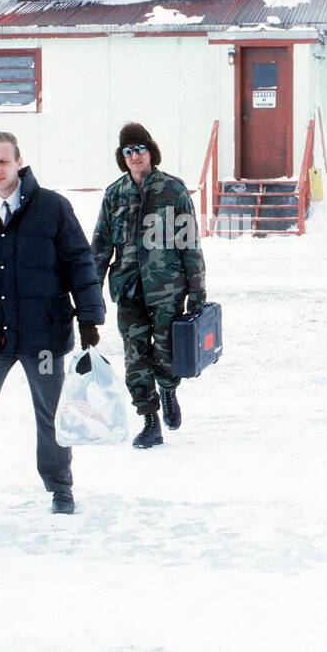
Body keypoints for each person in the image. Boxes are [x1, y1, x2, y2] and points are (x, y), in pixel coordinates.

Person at [0, 131, 104, 544]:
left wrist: (89, 316)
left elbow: (80, 261)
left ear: (19, 162)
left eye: (3, 162)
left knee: (49, 414)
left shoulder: (53, 207)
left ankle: (60, 486)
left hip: (43, 332)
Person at [92, 123, 207, 449]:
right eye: (128, 152)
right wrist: (91, 292)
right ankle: (149, 419)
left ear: (150, 152)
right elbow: (100, 247)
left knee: (167, 353)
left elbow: (189, 243)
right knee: (135, 358)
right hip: (128, 289)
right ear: (122, 157)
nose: (134, 156)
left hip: (167, 288)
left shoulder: (173, 190)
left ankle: (168, 390)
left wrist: (196, 290)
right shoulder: (114, 195)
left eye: (139, 149)